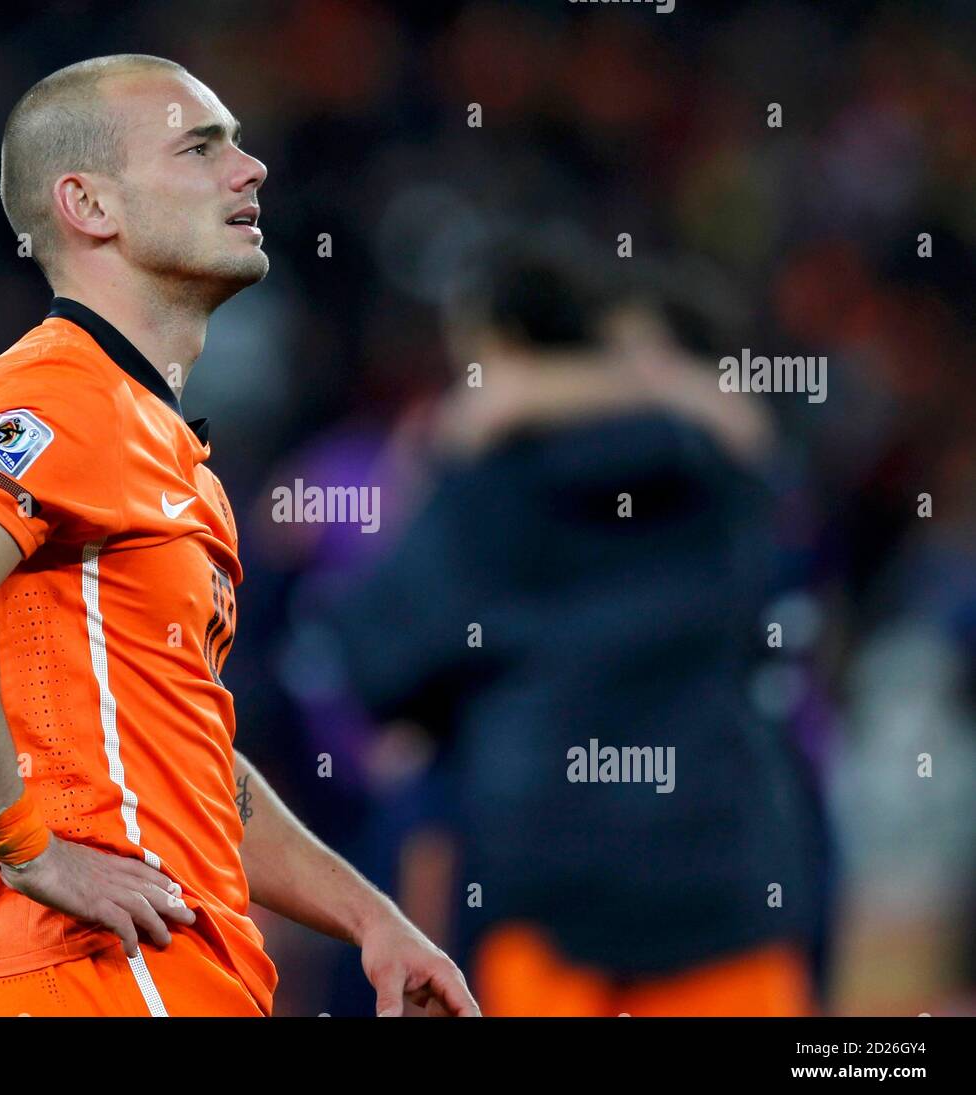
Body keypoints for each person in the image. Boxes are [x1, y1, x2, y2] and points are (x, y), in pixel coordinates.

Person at [0, 54, 478, 1017]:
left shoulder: (160, 442)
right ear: (89, 206)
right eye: (202, 146)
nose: (251, 169)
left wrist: (371, 920)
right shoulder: (59, 390)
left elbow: (198, 763)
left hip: (156, 970)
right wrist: (27, 846)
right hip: (98, 971)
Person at [310, 243, 824, 1015]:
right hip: (727, 884)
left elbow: (374, 663)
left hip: (548, 899)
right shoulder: (719, 468)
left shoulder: (484, 486)